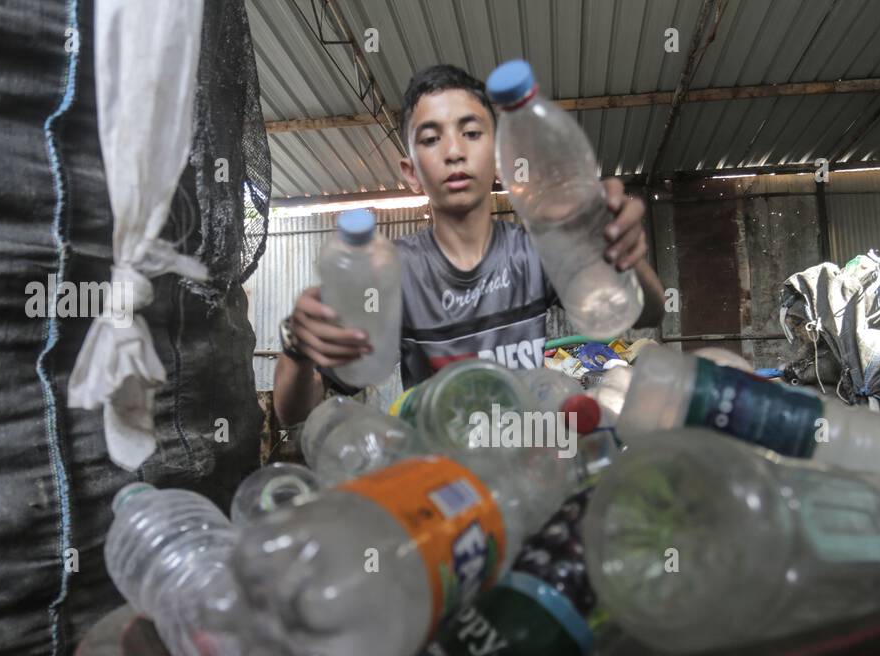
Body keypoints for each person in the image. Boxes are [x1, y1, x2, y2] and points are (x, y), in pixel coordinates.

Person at [273, 63, 666, 425]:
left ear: (497, 157)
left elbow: (649, 313)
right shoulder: (390, 273)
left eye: (472, 133)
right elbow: (295, 412)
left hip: (529, 459)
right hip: (444, 481)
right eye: (430, 138)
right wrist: (297, 346)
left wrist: (624, 256)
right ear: (411, 172)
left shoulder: (535, 252)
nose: (454, 152)